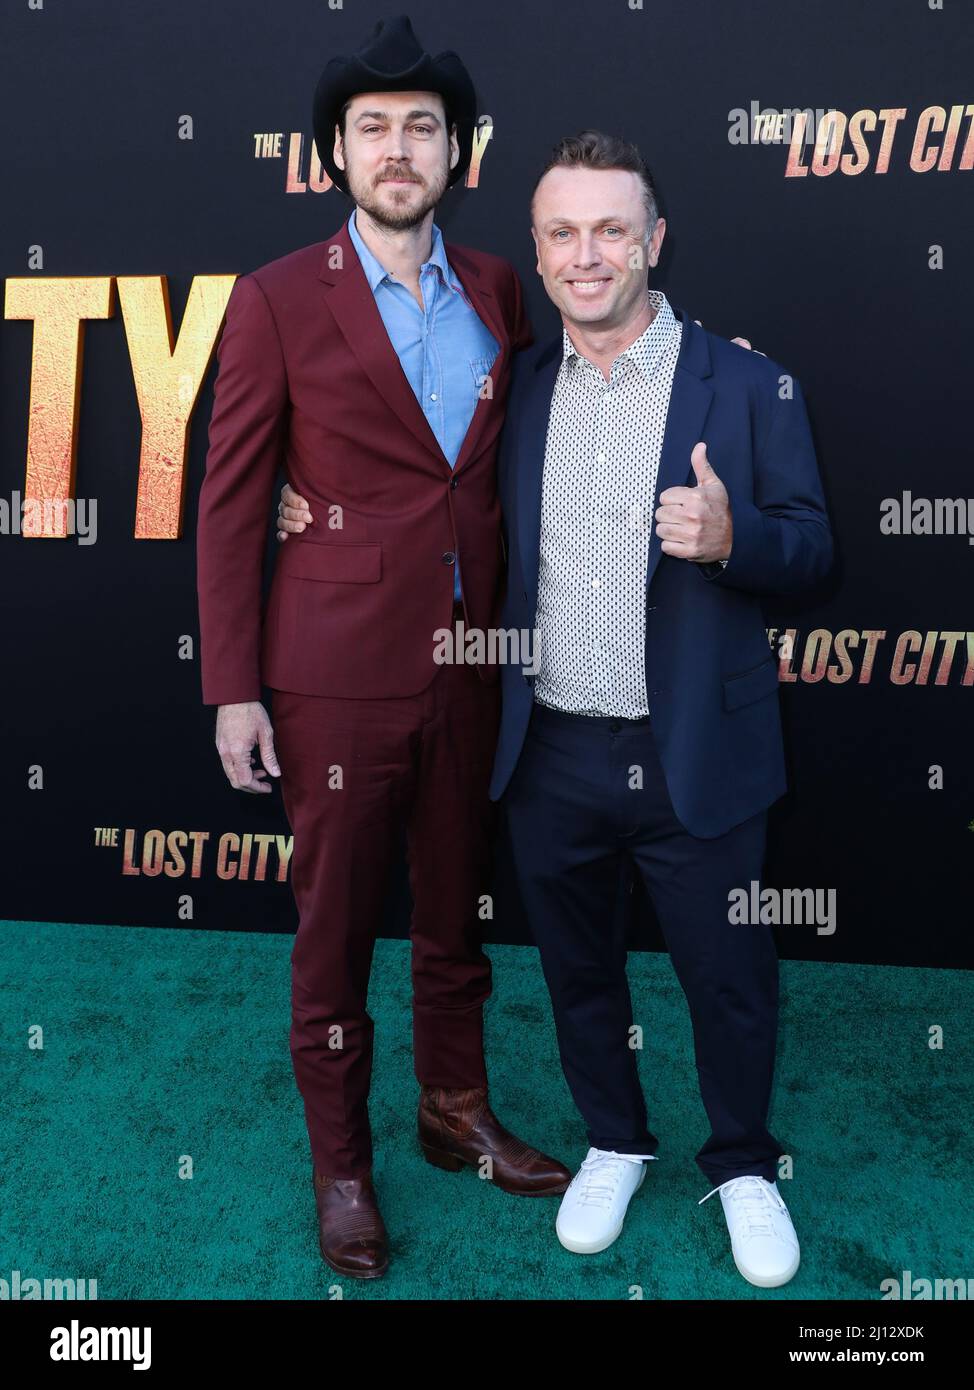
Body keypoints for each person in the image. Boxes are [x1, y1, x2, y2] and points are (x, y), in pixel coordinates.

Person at [279, 130, 834, 1289]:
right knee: (578, 971)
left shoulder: (744, 381)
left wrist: (737, 543)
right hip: (549, 748)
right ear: (535, 249)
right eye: (562, 233)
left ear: (654, 240)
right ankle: (616, 1140)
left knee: (726, 974)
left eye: (611, 229)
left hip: (697, 751)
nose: (587, 255)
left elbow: (815, 552)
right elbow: (413, 481)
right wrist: (305, 499)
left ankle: (740, 1162)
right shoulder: (517, 384)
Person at [195, 14, 572, 1283]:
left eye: (421, 128)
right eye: (373, 130)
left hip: (473, 665)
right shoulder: (272, 300)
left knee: (457, 909)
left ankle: (453, 1110)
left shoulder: (502, 292)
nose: (398, 149)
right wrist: (231, 688)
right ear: (333, 156)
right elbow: (234, 501)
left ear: (455, 154)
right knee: (338, 927)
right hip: (332, 673)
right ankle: (342, 1162)